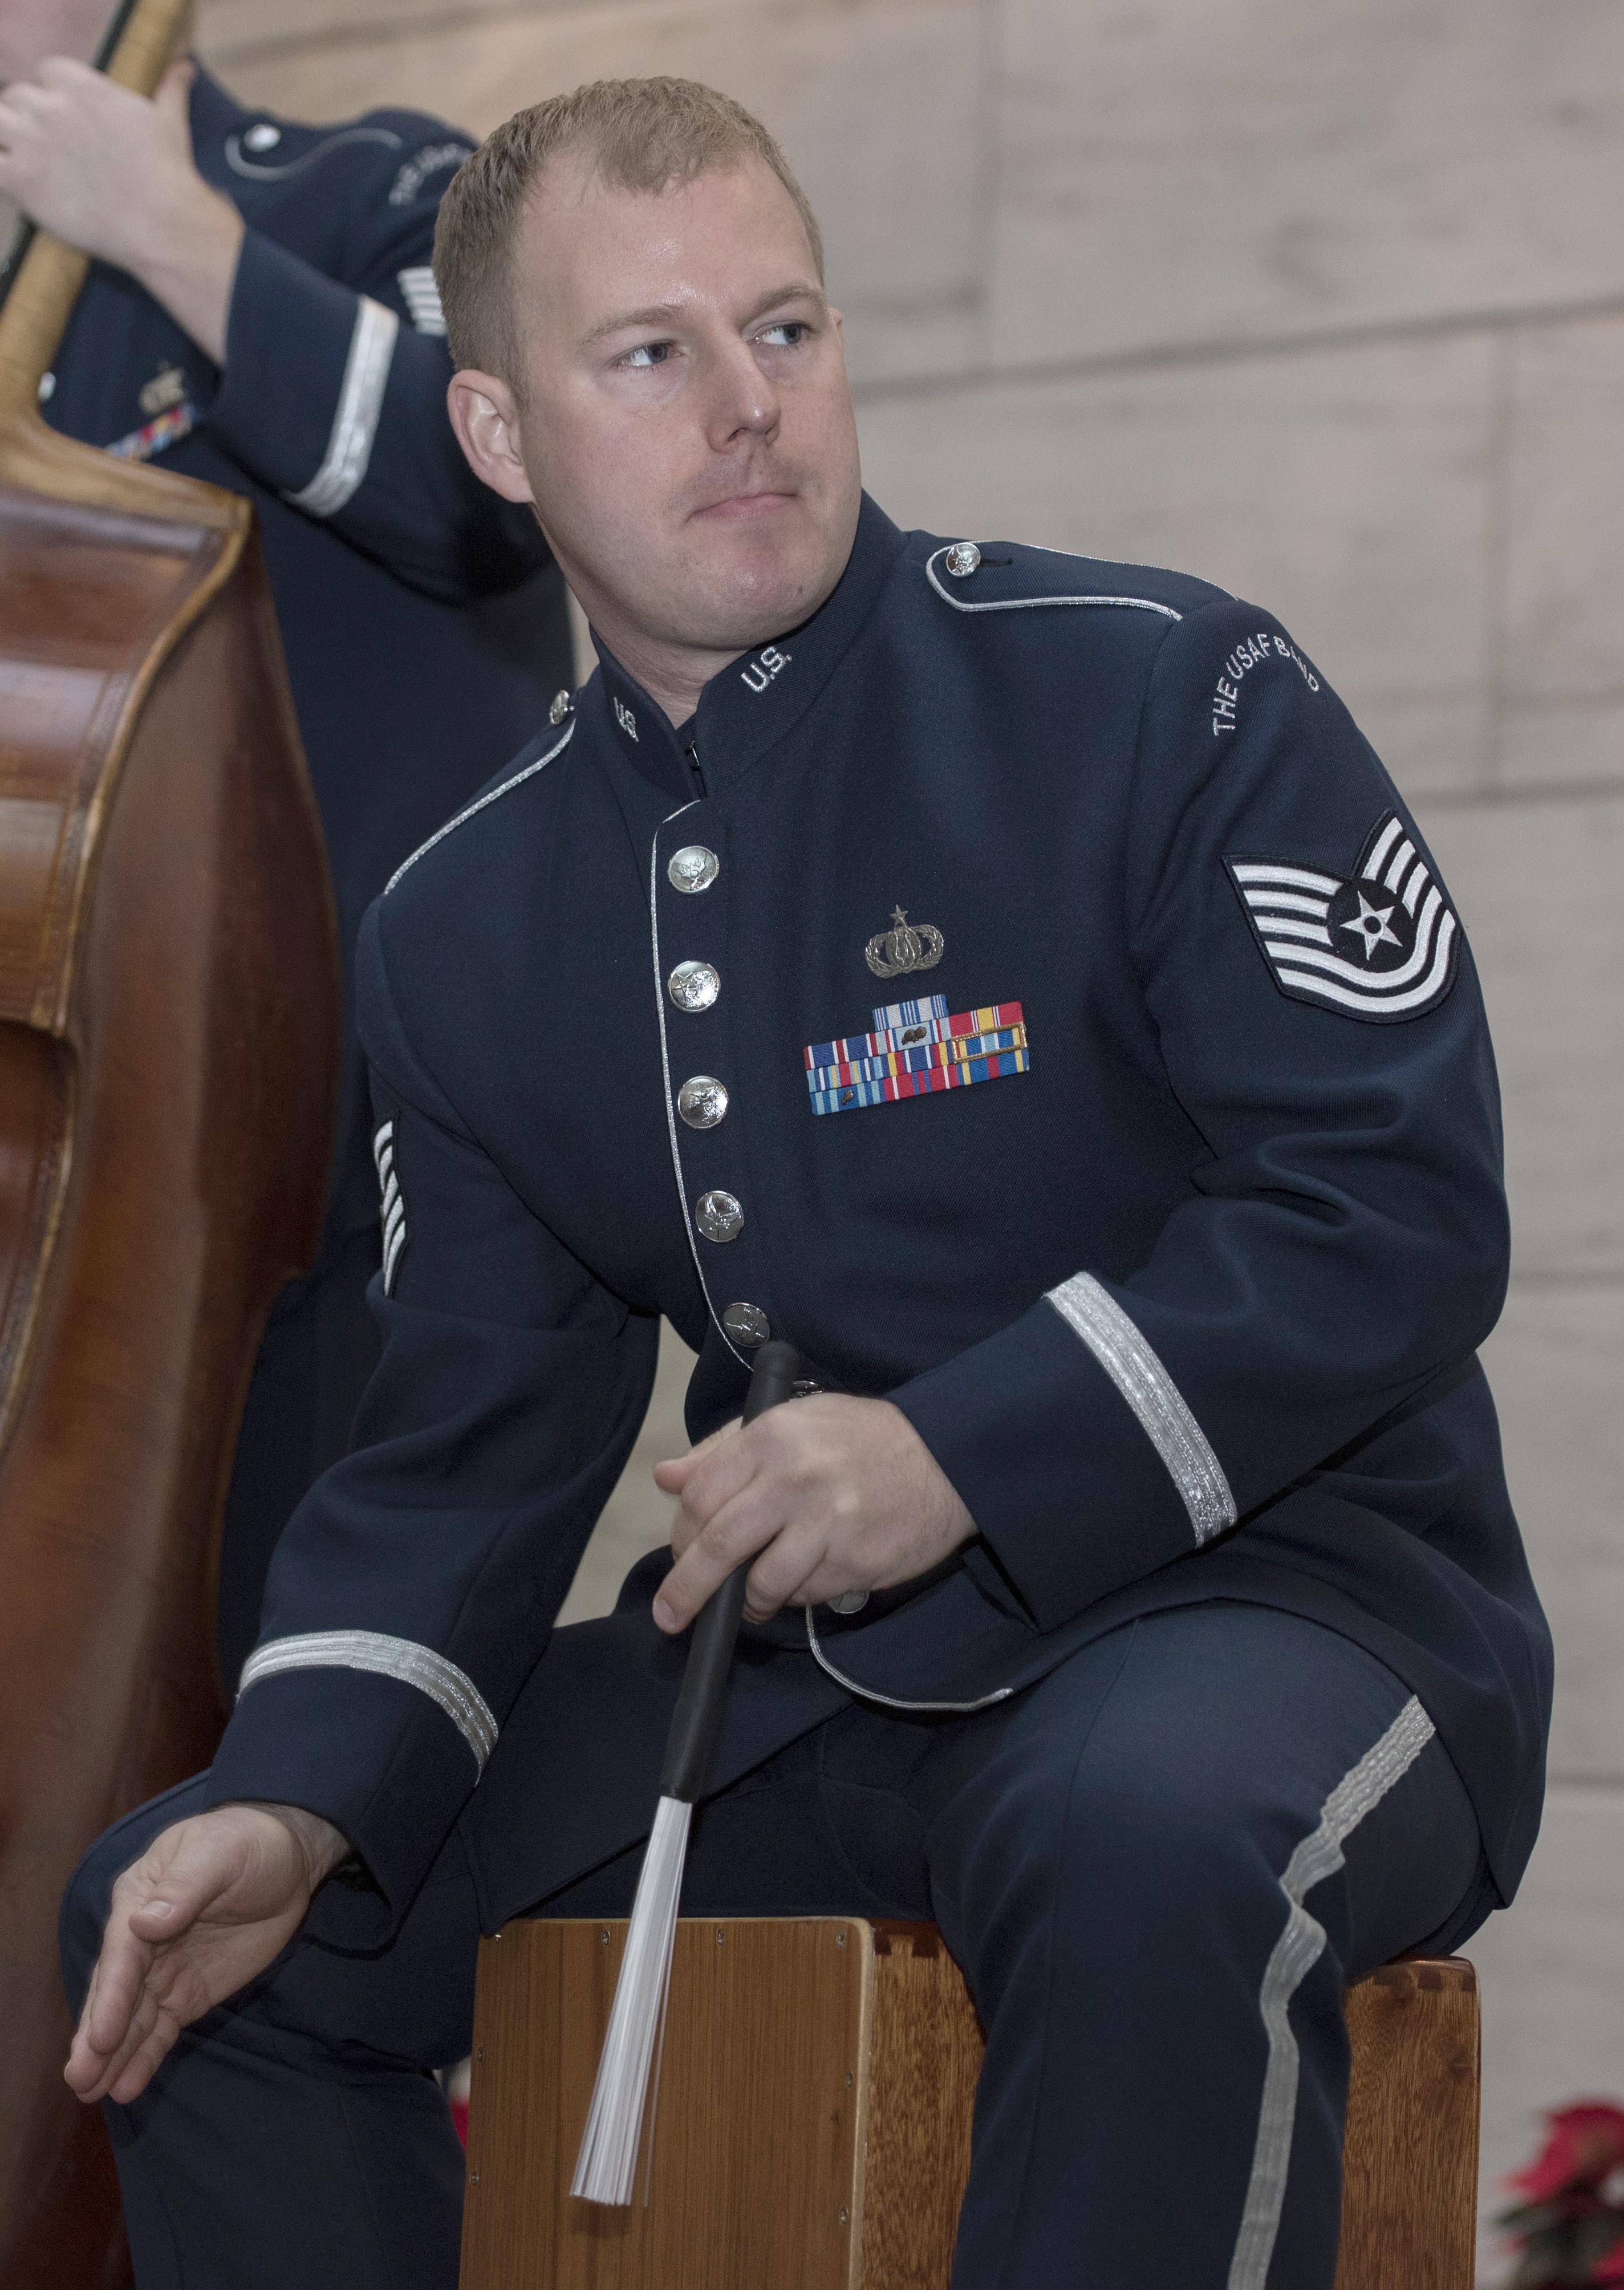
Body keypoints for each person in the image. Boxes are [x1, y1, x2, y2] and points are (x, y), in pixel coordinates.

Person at [59, 76, 1550, 2290]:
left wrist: (962, 1444)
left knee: (1134, 1826)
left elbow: (1395, 1209)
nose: (746, 406)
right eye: (650, 353)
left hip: (1301, 1614)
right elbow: (465, 1451)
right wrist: (302, 1783)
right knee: (201, 1923)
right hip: (830, 1681)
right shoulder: (469, 920)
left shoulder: (1160, 690)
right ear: (494, 431)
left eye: (788, 325)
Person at [0, 3, 573, 1680]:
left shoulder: (377, 192)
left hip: (360, 1176)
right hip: (72, 1163)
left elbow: (499, 496)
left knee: (305, 1708)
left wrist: (170, 230)